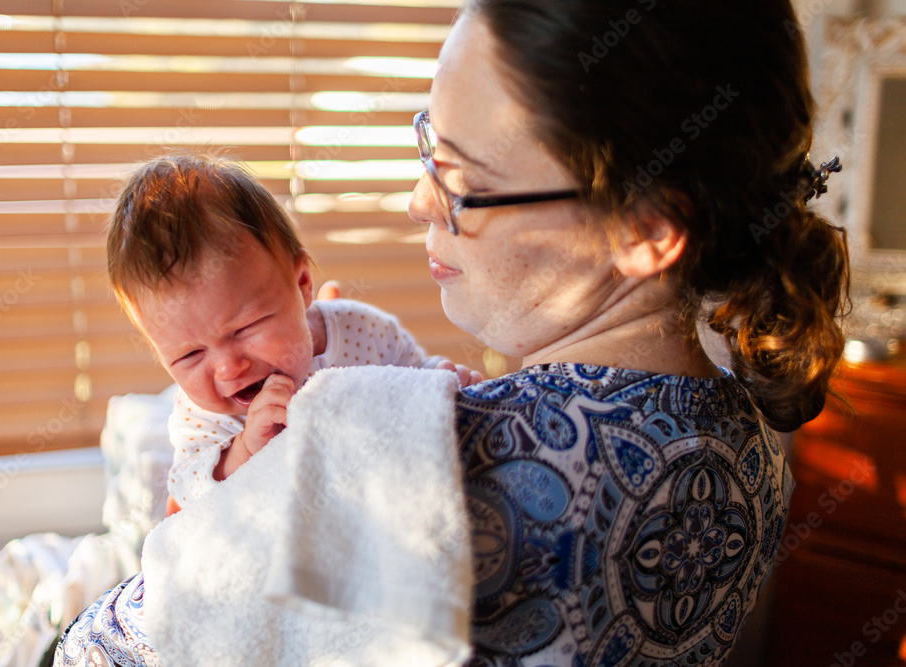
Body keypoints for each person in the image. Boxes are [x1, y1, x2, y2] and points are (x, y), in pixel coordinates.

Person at [54, 0, 850, 664]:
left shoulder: (420, 462)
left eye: (460, 180)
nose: (417, 200)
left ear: (645, 230)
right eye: (426, 143)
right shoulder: (751, 441)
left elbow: (112, 645)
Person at [107, 154, 483, 513]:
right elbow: (188, 492)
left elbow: (412, 373)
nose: (228, 368)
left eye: (244, 328)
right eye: (189, 356)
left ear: (301, 282)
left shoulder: (359, 331)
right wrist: (243, 450)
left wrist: (442, 380)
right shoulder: (200, 418)